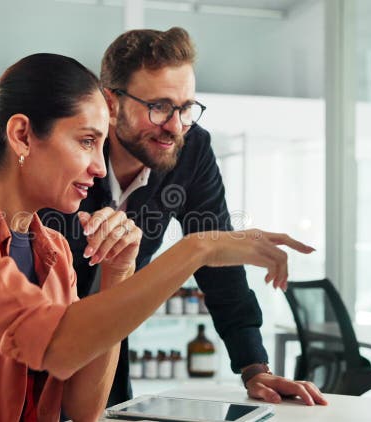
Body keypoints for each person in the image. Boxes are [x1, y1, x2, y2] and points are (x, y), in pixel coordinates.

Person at [0, 53, 320, 421]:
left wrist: (117, 271)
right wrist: (196, 248)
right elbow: (57, 348)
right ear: (22, 135)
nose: (99, 168)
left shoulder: (53, 251)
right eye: (86, 141)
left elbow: (84, 408)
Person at [40, 27, 328, 407]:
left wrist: (255, 369)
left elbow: (219, 264)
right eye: (159, 107)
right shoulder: (66, 149)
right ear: (111, 103)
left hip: (108, 345)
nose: (175, 126)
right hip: (35, 342)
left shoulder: (191, 149)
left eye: (186, 108)